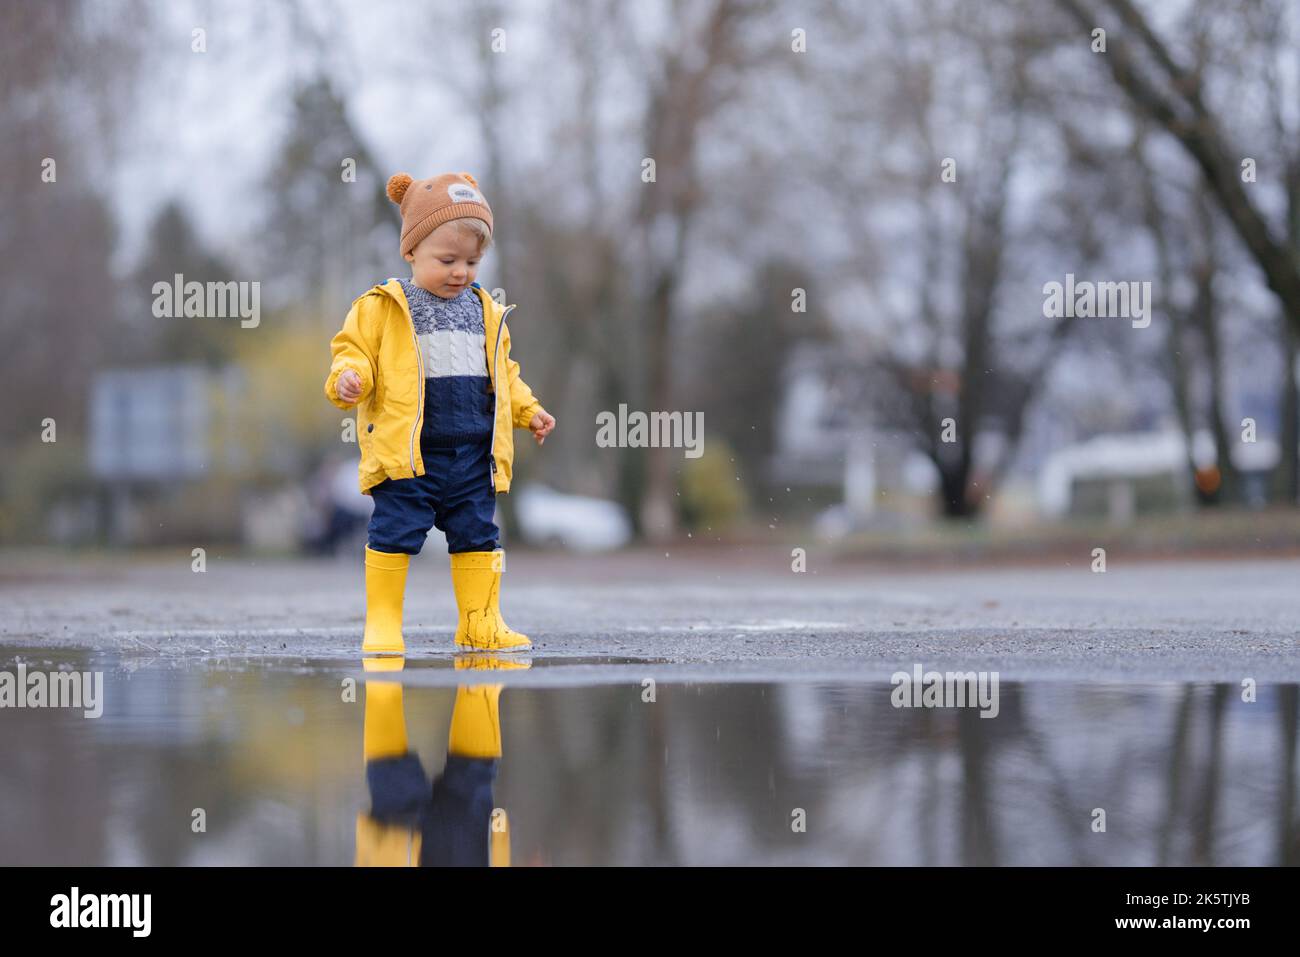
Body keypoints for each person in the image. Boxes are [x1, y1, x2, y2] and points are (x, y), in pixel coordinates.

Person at [323, 171, 555, 654]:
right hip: (409, 455)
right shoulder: (384, 307)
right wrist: (350, 380)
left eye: (472, 261)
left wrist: (528, 410)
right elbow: (353, 353)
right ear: (411, 252)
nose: (461, 272)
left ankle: (480, 622)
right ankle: (383, 624)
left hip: (472, 455)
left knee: (478, 534)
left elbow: (505, 373)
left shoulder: (486, 310)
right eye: (447, 259)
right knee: (394, 532)